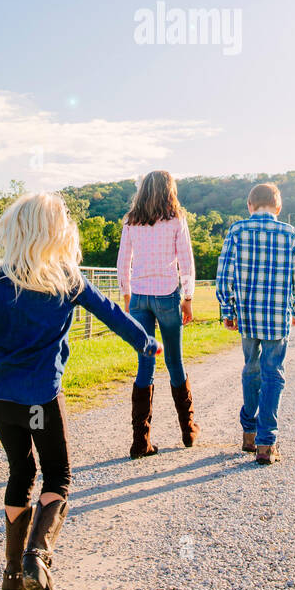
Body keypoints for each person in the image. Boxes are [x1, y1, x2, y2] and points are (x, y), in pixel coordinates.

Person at [0, 191, 160, 590]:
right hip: (41, 400)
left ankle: (12, 574)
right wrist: (146, 343)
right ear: (57, 234)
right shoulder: (67, 280)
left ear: (15, 230)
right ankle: (37, 557)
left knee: (20, 473)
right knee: (58, 476)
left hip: (2, 402)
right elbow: (113, 313)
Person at [215, 181, 295, 465]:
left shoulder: (237, 230)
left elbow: (224, 274)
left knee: (251, 369)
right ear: (278, 207)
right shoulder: (290, 233)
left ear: (250, 206)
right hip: (277, 319)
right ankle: (266, 443)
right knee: (273, 375)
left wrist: (227, 309)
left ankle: (249, 432)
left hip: (247, 316)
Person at [117, 170, 199, 458]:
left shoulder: (131, 221)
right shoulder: (176, 219)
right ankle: (188, 429)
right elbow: (186, 261)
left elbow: (123, 261)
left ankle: (140, 441)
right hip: (167, 296)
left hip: (139, 297)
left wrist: (127, 295)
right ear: (169, 190)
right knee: (175, 362)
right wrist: (188, 297)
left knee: (145, 365)